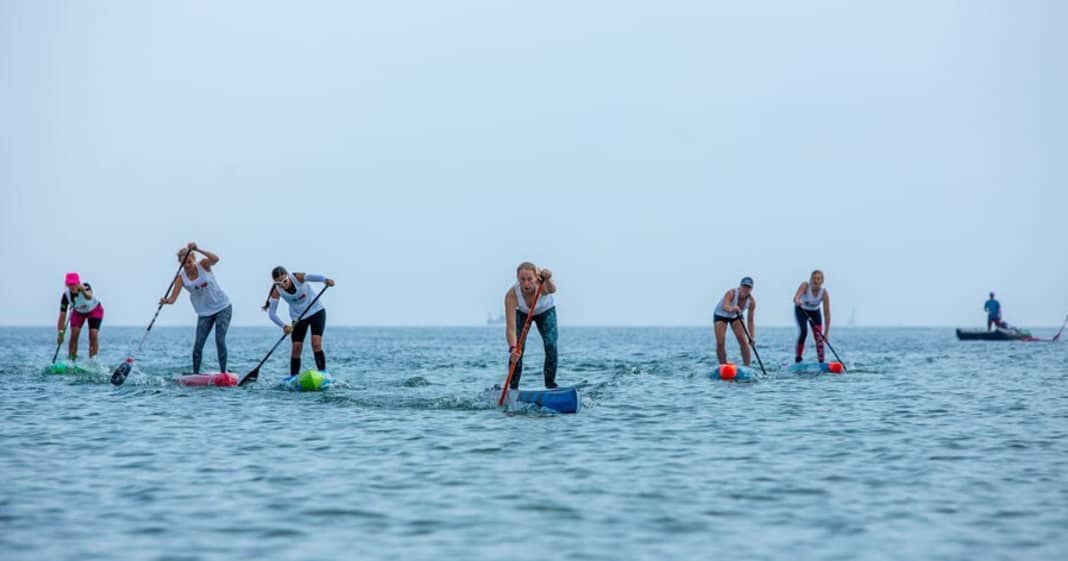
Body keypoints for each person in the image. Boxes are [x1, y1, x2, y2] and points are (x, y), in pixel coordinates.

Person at [159, 242, 232, 374]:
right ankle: (196, 374)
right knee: (198, 345)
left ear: (194, 259)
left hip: (223, 307)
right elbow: (173, 299)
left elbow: (216, 259)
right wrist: (166, 301)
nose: (187, 265)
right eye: (183, 263)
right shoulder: (181, 277)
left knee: (219, 340)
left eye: (189, 262)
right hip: (204, 313)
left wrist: (198, 249)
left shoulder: (203, 264)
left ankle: (223, 372)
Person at [262, 267, 335, 375]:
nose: (283, 285)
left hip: (316, 311)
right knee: (296, 349)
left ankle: (323, 373)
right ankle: (293, 376)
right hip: (298, 318)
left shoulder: (297, 277)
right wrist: (284, 326)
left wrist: (325, 280)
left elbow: (312, 276)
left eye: (284, 281)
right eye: (279, 283)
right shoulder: (276, 291)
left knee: (316, 343)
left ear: (288, 276)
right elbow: (272, 314)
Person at [505, 262, 558, 389]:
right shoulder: (511, 296)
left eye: (530, 279)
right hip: (523, 313)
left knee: (550, 344)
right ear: (517, 278)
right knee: (517, 350)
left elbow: (552, 290)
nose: (526, 283)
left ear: (536, 278)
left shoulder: (542, 285)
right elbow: (510, 328)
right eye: (522, 279)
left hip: (545, 311)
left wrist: (549, 277)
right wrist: (512, 348)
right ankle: (512, 388)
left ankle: (550, 385)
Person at [56, 272, 104, 361]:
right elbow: (62, 316)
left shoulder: (85, 286)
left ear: (78, 283)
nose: (72, 286)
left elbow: (89, 297)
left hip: (95, 310)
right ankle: (71, 361)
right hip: (78, 312)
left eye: (74, 284)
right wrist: (60, 333)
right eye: (70, 284)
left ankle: (93, 361)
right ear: (67, 284)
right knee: (74, 334)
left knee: (93, 334)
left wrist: (83, 290)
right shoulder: (66, 296)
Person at [713, 277, 756, 366]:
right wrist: (732, 308)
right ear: (740, 286)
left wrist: (752, 337)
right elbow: (725, 306)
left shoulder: (751, 302)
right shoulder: (731, 293)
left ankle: (747, 366)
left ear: (751, 289)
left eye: (748, 287)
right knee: (720, 342)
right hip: (721, 315)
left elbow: (750, 320)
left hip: (736, 316)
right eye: (744, 286)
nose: (745, 289)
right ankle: (723, 365)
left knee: (743, 340)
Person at [792, 270, 832, 363]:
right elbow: (796, 297)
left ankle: (821, 361)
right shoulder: (805, 286)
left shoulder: (824, 293)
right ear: (810, 279)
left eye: (818, 279)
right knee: (803, 332)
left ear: (822, 281)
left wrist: (826, 333)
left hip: (815, 313)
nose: (816, 281)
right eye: (814, 278)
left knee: (819, 337)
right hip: (802, 310)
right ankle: (798, 358)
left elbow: (827, 314)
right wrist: (797, 300)